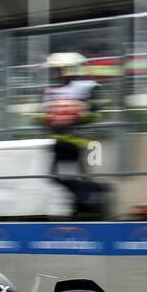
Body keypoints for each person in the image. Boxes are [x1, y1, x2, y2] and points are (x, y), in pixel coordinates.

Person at [40, 52, 102, 215]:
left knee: (77, 176)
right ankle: (82, 202)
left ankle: (84, 203)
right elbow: (45, 115)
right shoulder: (50, 92)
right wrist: (46, 119)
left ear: (67, 69)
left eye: (57, 69)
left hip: (79, 142)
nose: (54, 73)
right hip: (59, 141)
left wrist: (76, 118)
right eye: (54, 70)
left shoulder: (84, 88)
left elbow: (96, 112)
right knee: (55, 177)